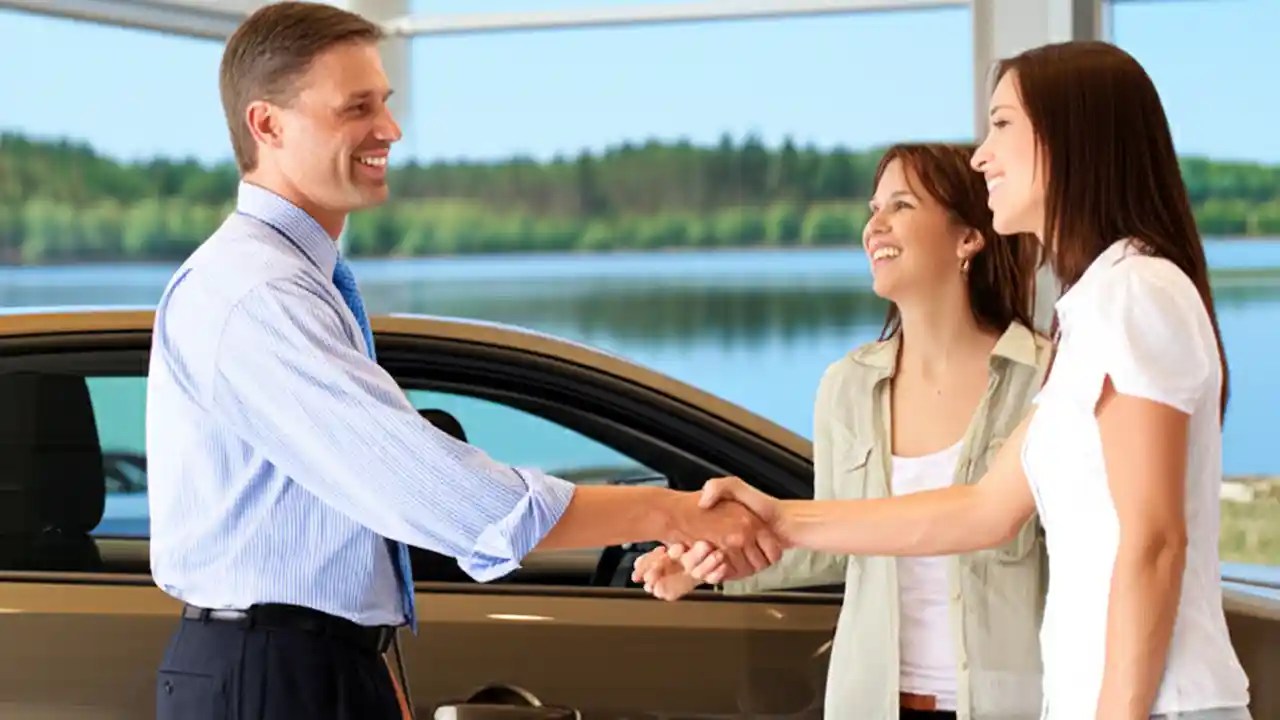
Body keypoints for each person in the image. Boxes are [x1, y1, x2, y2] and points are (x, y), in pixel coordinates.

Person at [144, 3, 778, 719]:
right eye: (357, 108)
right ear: (268, 125)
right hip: (277, 674)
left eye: (385, 103)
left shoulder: (288, 280)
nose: (390, 129)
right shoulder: (259, 293)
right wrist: (670, 511)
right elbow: (434, 489)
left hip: (310, 661)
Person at [654, 41, 1254, 720]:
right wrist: (782, 518)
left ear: (1070, 136)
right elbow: (981, 510)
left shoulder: (1135, 293)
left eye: (1001, 125)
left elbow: (1155, 543)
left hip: (1159, 706)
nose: (981, 156)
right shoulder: (1092, 310)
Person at [634, 143, 1051, 720]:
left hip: (1015, 705)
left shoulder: (1044, 378)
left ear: (969, 238)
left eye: (901, 206)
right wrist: (714, 562)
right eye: (873, 209)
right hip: (872, 703)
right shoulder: (847, 386)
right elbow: (833, 545)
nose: (874, 227)